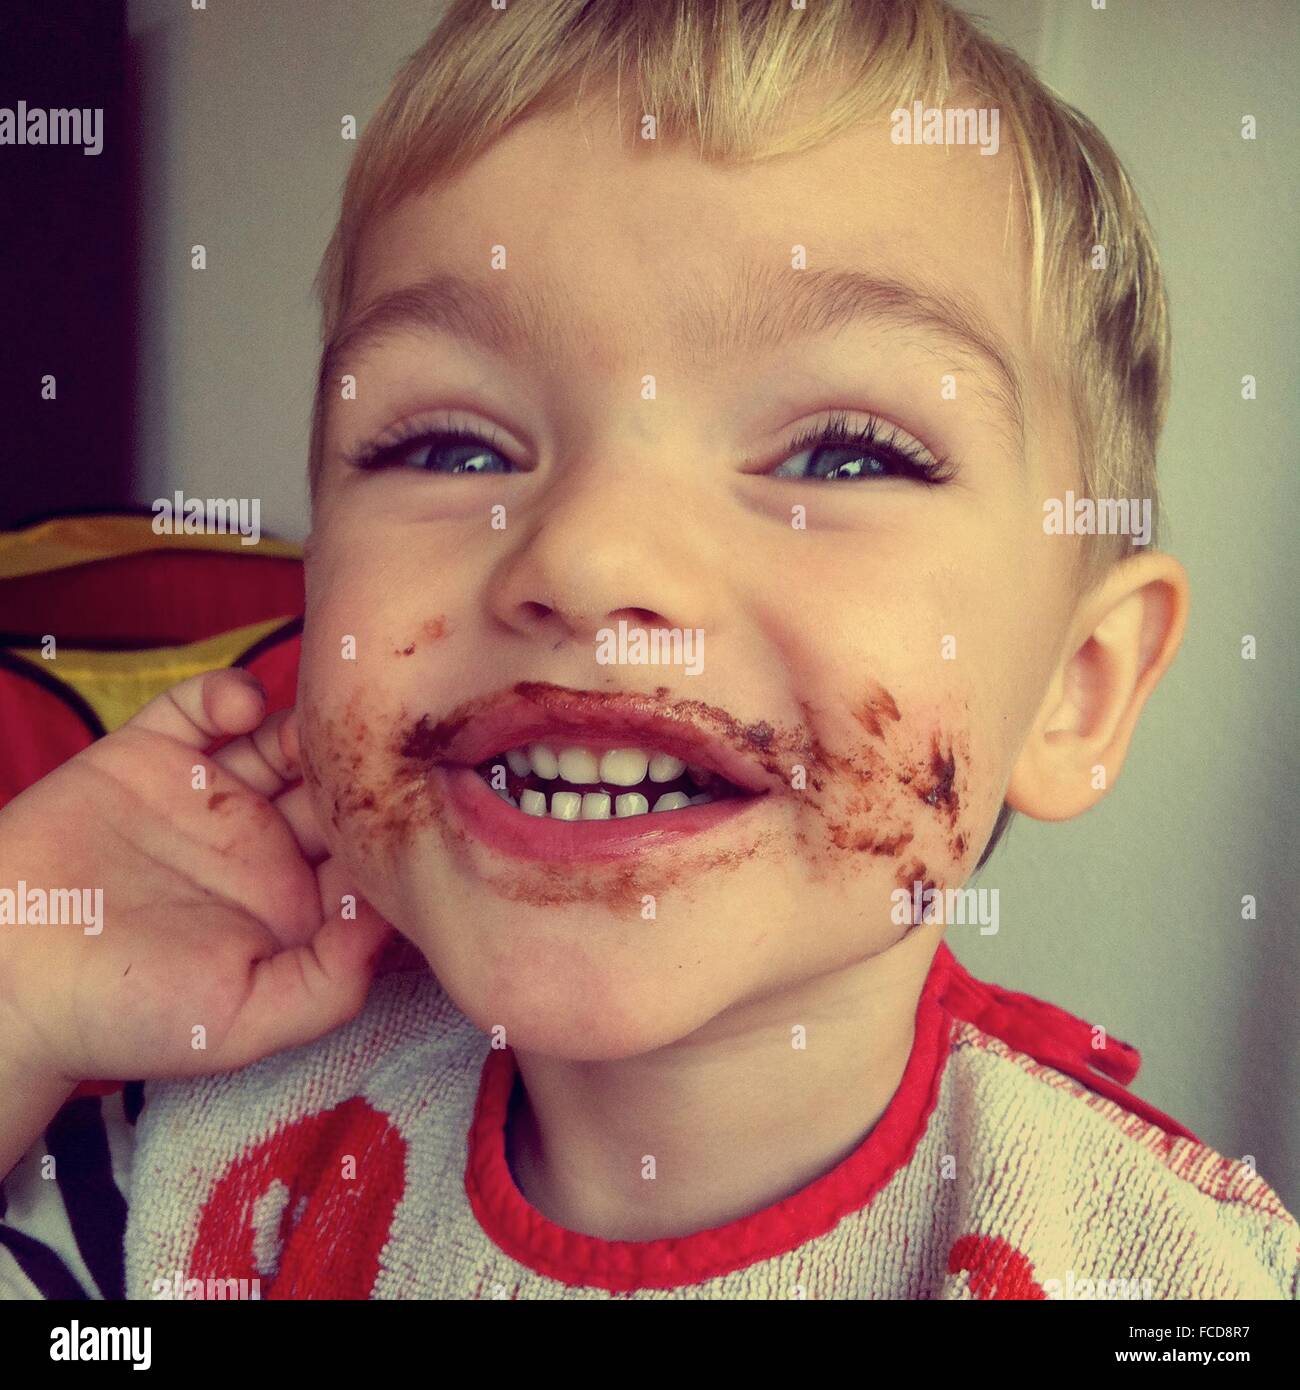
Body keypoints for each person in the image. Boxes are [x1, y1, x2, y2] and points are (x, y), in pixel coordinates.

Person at [2, 0, 1295, 1300]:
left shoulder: (1166, 1274)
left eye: (842, 454)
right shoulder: (197, 1151)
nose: (589, 556)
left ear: (1077, 689)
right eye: (449, 446)